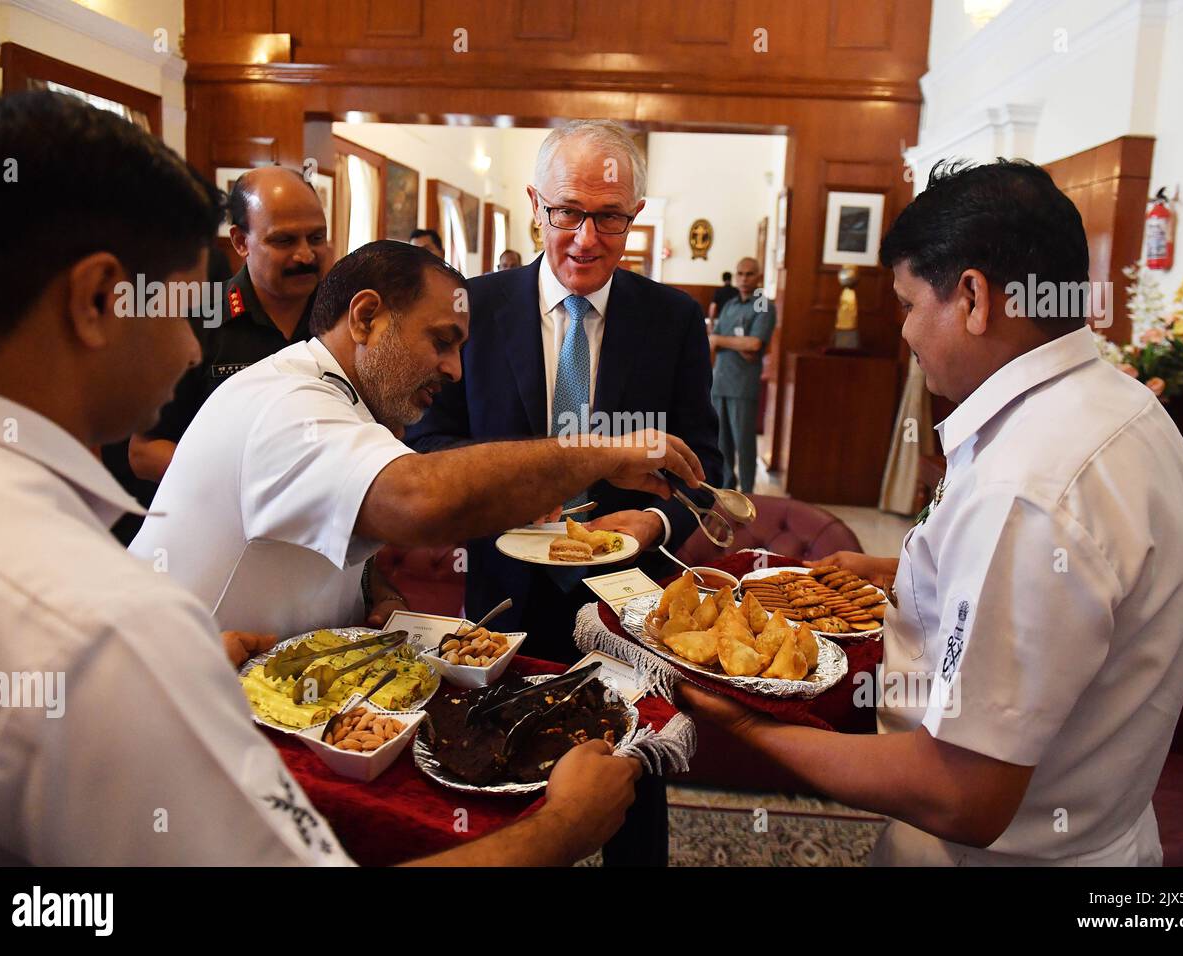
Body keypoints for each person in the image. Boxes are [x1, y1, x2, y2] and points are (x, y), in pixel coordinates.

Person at [0, 91, 641, 866]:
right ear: (95, 300)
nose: (192, 350)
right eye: (181, 309)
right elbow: (418, 498)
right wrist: (565, 829)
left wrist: (370, 595)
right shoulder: (111, 623)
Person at [679, 159, 1183, 866]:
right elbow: (1067, 605)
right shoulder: (1123, 406)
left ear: (972, 297)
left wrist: (749, 729)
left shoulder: (1028, 488)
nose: (903, 333)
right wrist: (901, 571)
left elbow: (961, 793)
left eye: (906, 304)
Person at [129, 239, 705, 640]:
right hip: (171, 699)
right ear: (366, 318)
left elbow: (327, 527)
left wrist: (377, 594)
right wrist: (602, 452)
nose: (455, 370)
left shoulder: (345, 402)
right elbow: (418, 500)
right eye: (442, 341)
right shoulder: (289, 404)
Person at [405, 119, 723, 659]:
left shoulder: (674, 320)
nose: (587, 239)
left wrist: (655, 522)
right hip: (500, 600)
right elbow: (426, 446)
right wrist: (513, 484)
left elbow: (705, 464)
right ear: (535, 204)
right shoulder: (471, 310)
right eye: (568, 211)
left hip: (627, 603)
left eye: (610, 217)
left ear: (635, 216)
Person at [106, 166, 332, 544]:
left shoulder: (342, 322)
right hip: (209, 535)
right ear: (241, 241)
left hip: (316, 534)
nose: (305, 255)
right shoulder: (196, 320)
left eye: (317, 237)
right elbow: (144, 453)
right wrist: (249, 485)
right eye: (284, 241)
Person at [709, 256, 774, 493]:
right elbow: (713, 340)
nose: (744, 279)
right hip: (720, 383)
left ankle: (748, 492)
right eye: (741, 274)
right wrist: (737, 343)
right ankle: (726, 490)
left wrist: (723, 341)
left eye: (750, 274)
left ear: (758, 277)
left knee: (744, 443)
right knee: (720, 444)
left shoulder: (761, 304)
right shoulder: (730, 305)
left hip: (742, 386)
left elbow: (755, 344)